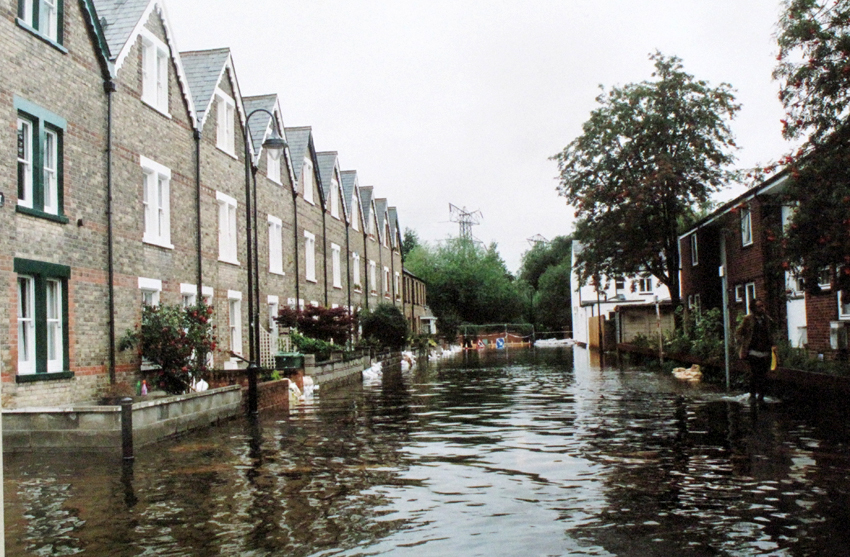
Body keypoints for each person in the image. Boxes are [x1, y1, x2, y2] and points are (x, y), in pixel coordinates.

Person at [736, 299, 775, 401]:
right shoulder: (748, 319)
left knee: (764, 374)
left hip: (765, 351)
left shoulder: (767, 320)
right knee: (754, 373)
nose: (762, 308)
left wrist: (773, 344)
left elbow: (771, 333)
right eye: (759, 307)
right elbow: (739, 333)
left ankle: (761, 395)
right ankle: (753, 394)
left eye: (762, 306)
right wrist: (743, 344)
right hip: (753, 351)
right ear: (754, 308)